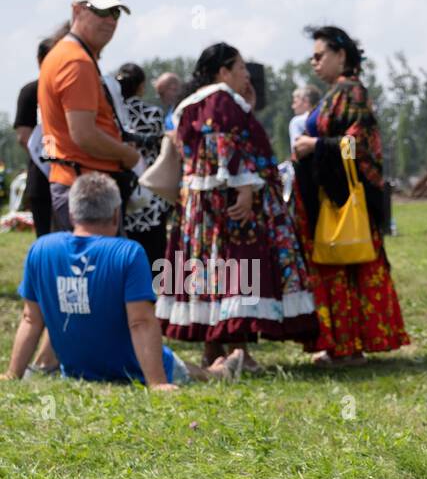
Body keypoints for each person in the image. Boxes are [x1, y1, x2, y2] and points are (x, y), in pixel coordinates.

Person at [156, 43, 318, 369]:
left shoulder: (189, 105)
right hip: (227, 204)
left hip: (199, 206)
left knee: (209, 270)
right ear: (223, 72)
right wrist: (244, 186)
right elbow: (223, 143)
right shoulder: (221, 99)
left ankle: (213, 349)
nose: (246, 74)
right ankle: (237, 350)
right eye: (241, 67)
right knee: (234, 269)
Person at [3, 173, 240, 388]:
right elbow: (141, 322)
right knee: (180, 367)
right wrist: (157, 383)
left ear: (72, 213)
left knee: (179, 364)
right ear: (117, 213)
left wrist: (13, 374)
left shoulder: (41, 249)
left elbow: (30, 320)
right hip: (132, 368)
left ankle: (216, 369)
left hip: (77, 370)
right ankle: (218, 372)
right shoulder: (127, 253)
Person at [293, 25, 408, 367]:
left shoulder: (353, 92)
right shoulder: (336, 92)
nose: (314, 63)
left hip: (344, 201)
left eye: (320, 56)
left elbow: (359, 144)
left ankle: (348, 348)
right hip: (329, 196)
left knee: (344, 269)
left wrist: (314, 145)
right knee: (336, 270)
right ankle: (340, 345)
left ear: (341, 55)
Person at [37, 0, 141, 234]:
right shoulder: (76, 61)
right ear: (77, 10)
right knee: (103, 271)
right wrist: (129, 156)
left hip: (77, 182)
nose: (111, 20)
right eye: (101, 10)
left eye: (115, 12)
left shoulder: (68, 55)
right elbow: (84, 135)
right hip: (87, 188)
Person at [115, 62, 169, 265]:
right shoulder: (153, 114)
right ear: (141, 86)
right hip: (151, 190)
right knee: (156, 257)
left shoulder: (115, 116)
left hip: (124, 188)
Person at [13, 31, 67, 238]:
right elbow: (24, 137)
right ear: (40, 60)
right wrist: (50, 154)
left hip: (68, 176)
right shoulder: (31, 91)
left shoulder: (69, 89)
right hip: (43, 175)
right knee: (47, 238)